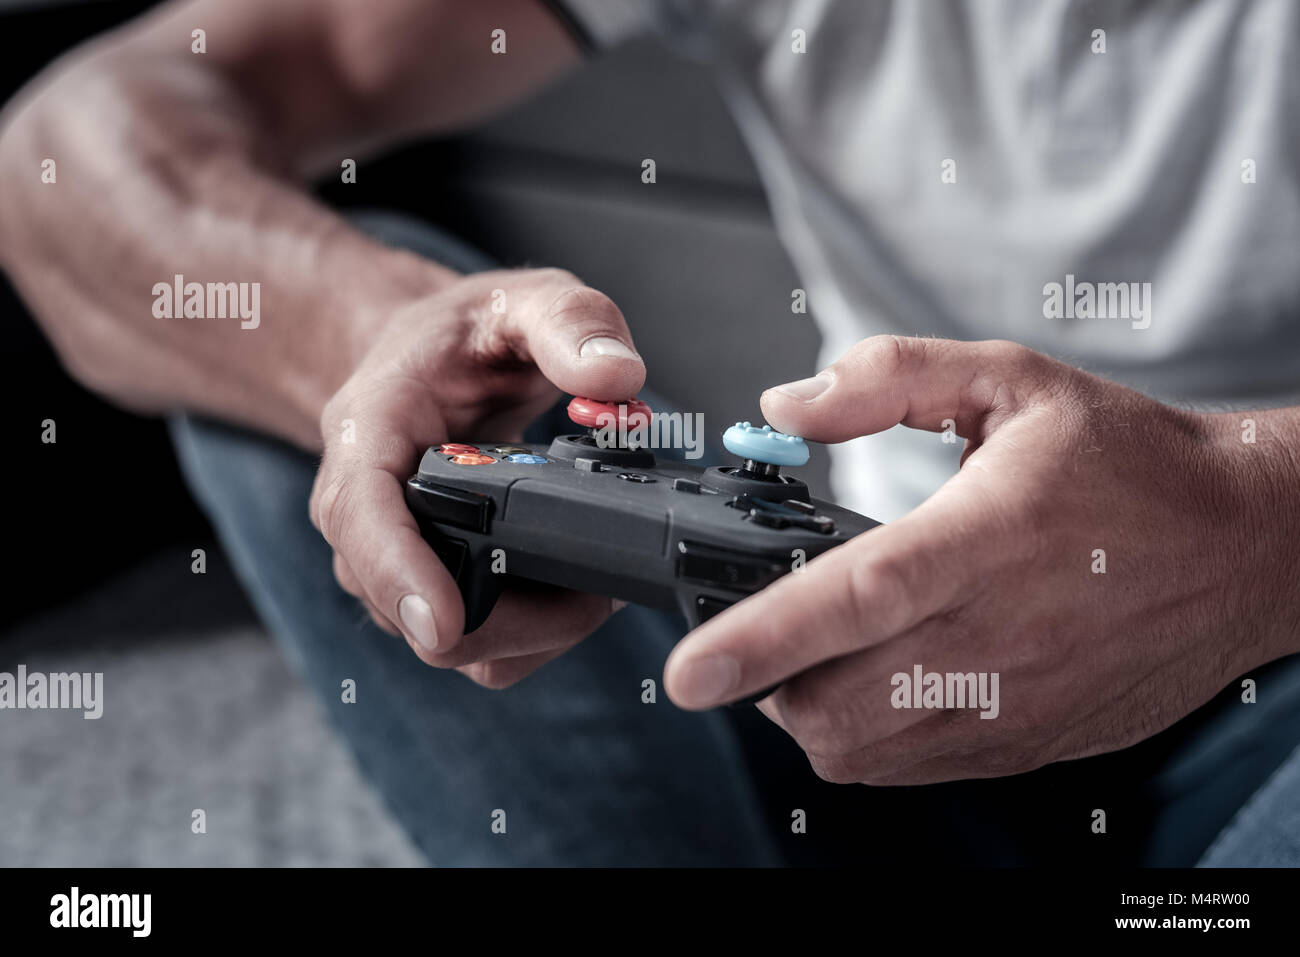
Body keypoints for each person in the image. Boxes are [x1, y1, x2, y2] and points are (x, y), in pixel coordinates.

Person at [0, 0, 1296, 866]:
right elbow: (63, 147)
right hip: (844, 664)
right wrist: (364, 339)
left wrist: (1246, 522)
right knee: (327, 380)